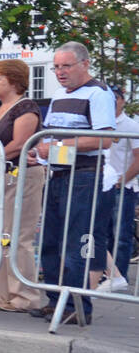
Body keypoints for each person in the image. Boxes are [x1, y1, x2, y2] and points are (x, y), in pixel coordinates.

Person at [34, 41, 116, 324]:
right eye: (56, 66)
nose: (60, 72)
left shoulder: (98, 93)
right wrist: (42, 154)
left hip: (85, 175)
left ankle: (77, 307)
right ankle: (56, 300)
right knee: (51, 242)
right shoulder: (58, 94)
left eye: (66, 66)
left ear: (84, 64)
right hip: (59, 173)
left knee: (76, 242)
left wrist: (56, 145)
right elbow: (54, 135)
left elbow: (105, 138)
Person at [0, 59, 47, 313]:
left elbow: (20, 143)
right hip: (0, 176)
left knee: (18, 235)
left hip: (20, 175)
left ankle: (26, 295)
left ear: (14, 81)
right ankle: (5, 292)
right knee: (2, 235)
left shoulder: (26, 107)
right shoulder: (0, 108)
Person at [101, 88, 139, 288]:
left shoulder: (131, 126)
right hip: (103, 184)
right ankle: (105, 274)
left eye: (115, 99)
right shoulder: (100, 123)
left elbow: (138, 157)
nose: (112, 103)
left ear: (123, 101)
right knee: (103, 232)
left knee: (121, 235)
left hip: (123, 187)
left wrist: (122, 180)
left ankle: (120, 275)